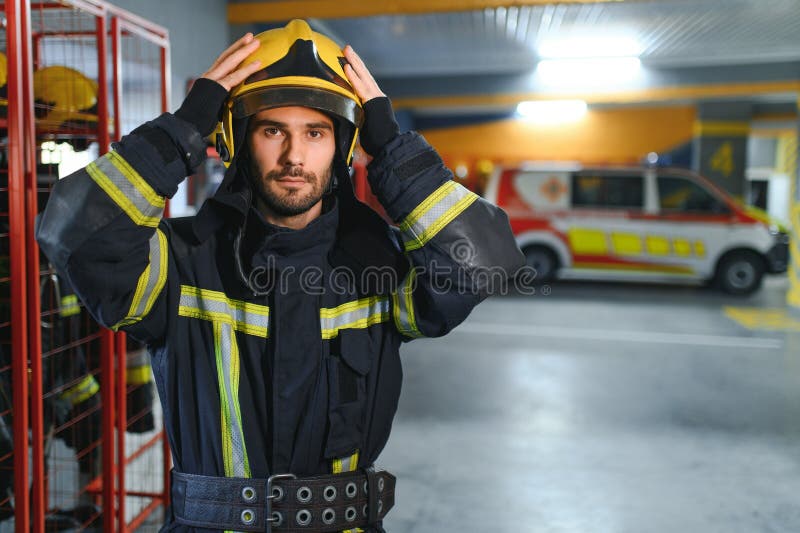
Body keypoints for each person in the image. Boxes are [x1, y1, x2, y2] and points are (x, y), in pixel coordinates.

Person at [36, 19, 524, 532]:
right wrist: (181, 130)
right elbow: (75, 235)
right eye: (273, 131)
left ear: (342, 146)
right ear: (237, 141)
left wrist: (393, 149)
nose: (295, 157)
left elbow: (484, 264)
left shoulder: (377, 266)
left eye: (316, 132)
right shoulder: (179, 262)